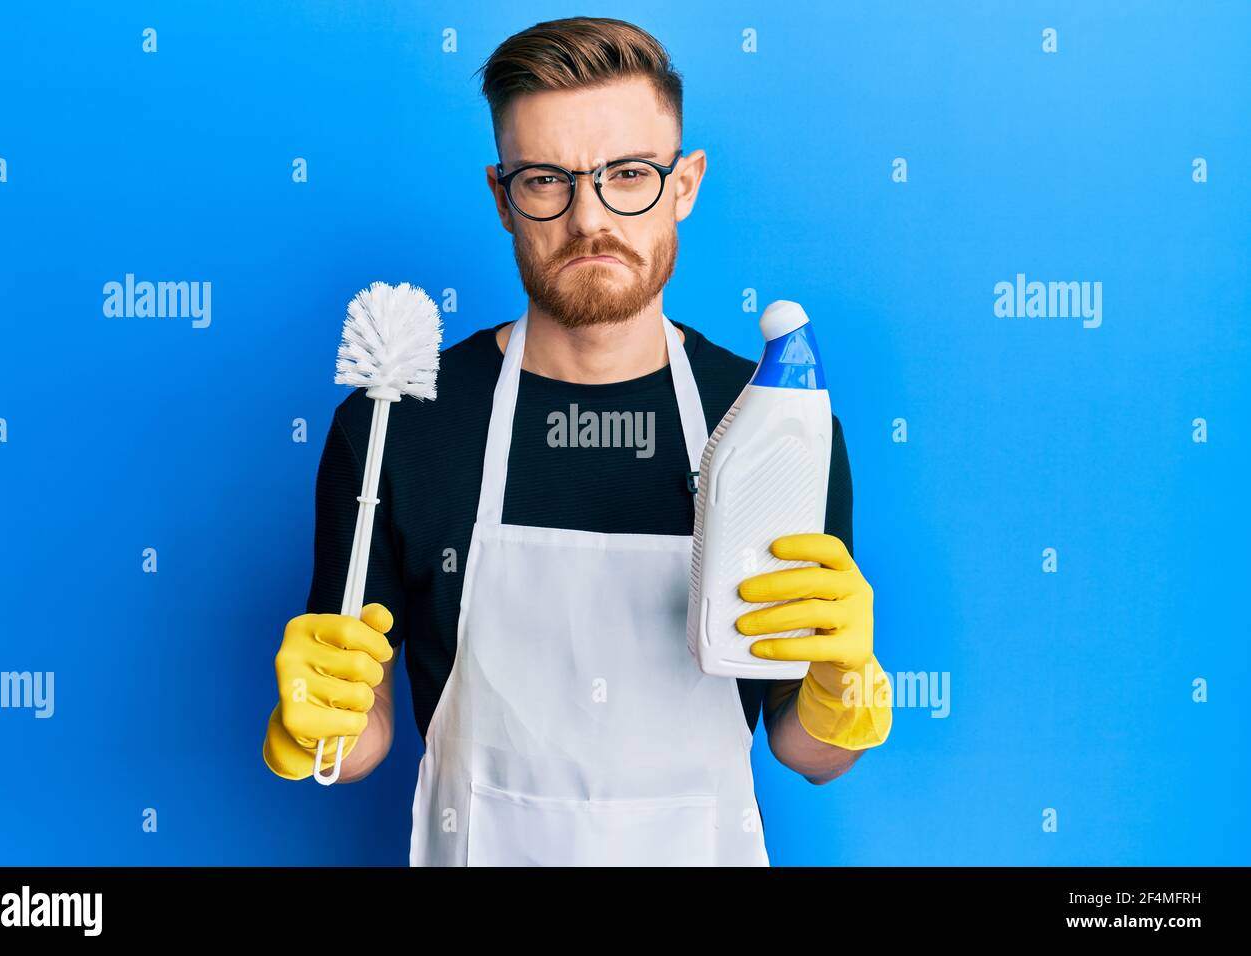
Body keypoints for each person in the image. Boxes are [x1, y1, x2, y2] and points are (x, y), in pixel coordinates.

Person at [262, 16, 892, 866]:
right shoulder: (399, 424)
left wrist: (839, 689)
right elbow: (360, 734)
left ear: (685, 184)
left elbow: (806, 751)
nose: (589, 218)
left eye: (628, 174)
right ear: (501, 195)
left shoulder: (777, 428)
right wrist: (318, 728)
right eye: (546, 180)